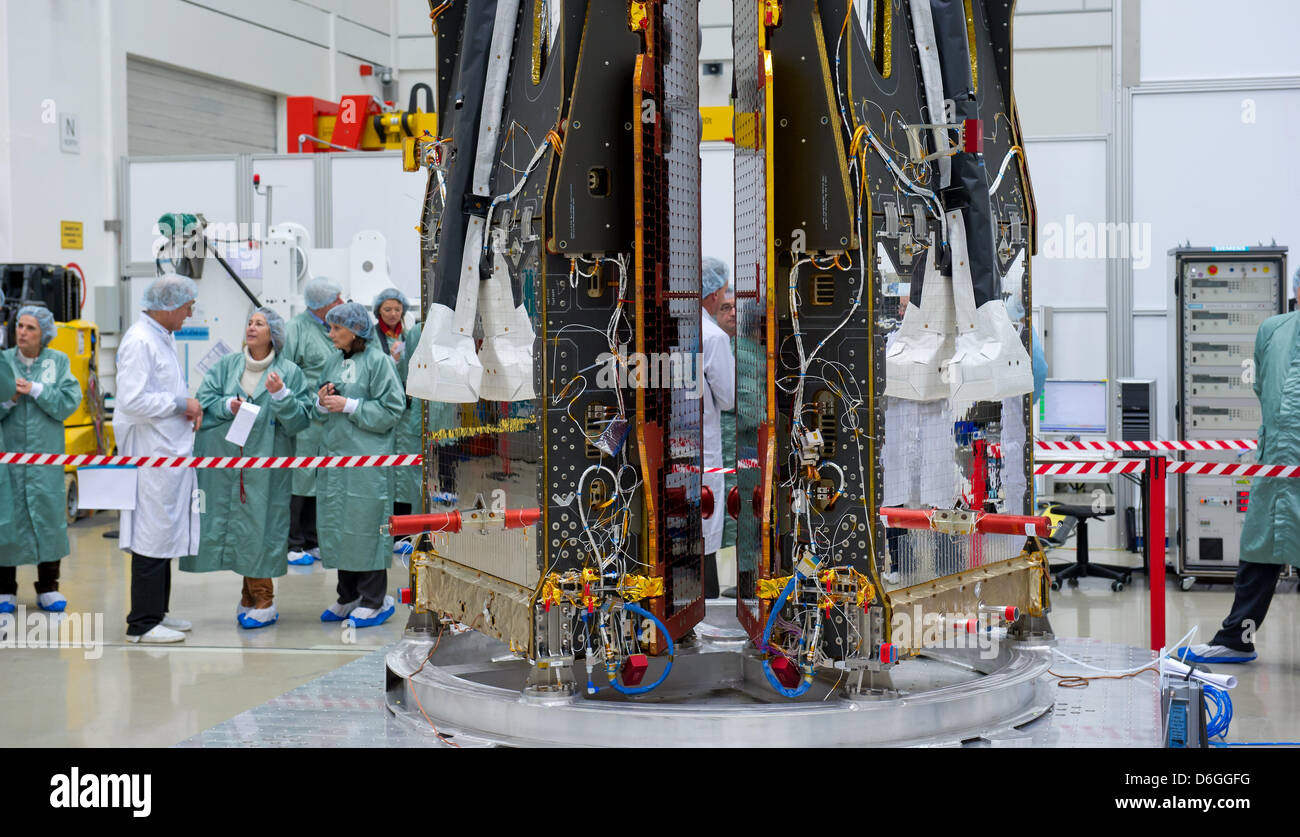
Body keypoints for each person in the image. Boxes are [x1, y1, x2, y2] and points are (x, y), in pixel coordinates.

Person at [1179, 270, 1300, 664]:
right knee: (1259, 552)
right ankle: (1236, 640)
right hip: (1276, 463)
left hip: (1285, 465)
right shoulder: (1273, 330)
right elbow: (1263, 385)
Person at [181, 308, 314, 628]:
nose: (252, 327)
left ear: (274, 334)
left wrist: (281, 395)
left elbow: (300, 420)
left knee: (261, 526)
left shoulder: (290, 373)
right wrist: (229, 405)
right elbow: (205, 401)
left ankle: (264, 597)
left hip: (268, 464)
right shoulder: (226, 366)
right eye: (250, 322)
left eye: (260, 323)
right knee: (238, 525)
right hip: (227, 463)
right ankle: (249, 595)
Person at [114, 273, 202, 643]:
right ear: (167, 306)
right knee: (152, 532)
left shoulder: (160, 337)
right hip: (151, 454)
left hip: (168, 452)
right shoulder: (139, 341)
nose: (189, 313)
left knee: (164, 529)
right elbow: (131, 400)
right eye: (186, 307)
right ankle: (142, 623)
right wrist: (180, 403)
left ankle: (158, 612)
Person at [313, 302, 406, 627]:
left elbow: (393, 408)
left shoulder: (379, 362)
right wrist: (323, 402)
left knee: (365, 527)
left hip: (368, 460)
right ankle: (347, 594)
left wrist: (350, 404)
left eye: (337, 328)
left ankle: (374, 599)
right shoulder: (333, 359)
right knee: (339, 527)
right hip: (336, 459)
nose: (331, 333)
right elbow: (320, 407)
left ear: (356, 330)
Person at [0, 306, 83, 613]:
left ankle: (48, 586)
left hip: (45, 462)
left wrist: (35, 389)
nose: (22, 332)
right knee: (7, 521)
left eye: (30, 328)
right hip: (8, 461)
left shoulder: (58, 363)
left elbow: (68, 403)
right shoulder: (4, 361)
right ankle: (5, 588)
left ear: (44, 334)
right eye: (19, 326)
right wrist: (10, 398)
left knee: (49, 519)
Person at [283, 277, 344, 565]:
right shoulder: (296, 329)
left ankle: (312, 539)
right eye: (336, 299)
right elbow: (286, 372)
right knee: (300, 480)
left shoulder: (331, 330)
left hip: (329, 420)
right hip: (306, 417)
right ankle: (292, 541)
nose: (341, 303)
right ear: (321, 304)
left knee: (319, 480)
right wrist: (307, 401)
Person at [372, 288, 424, 548]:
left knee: (406, 475)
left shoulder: (409, 334)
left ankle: (405, 531)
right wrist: (389, 359)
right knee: (388, 472)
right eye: (387, 309)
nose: (393, 314)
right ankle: (390, 528)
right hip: (383, 411)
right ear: (378, 311)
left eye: (397, 309)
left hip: (405, 411)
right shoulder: (372, 337)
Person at [700, 257, 736, 600]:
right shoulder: (713, 338)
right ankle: (706, 605)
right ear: (713, 295)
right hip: (704, 452)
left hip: (670, 449)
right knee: (707, 532)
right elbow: (727, 398)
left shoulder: (670, 329)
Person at [718, 290, 738, 565]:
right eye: (725, 308)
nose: (733, 313)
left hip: (741, 448)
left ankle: (744, 580)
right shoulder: (711, 345)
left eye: (736, 307)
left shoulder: (749, 350)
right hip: (715, 447)